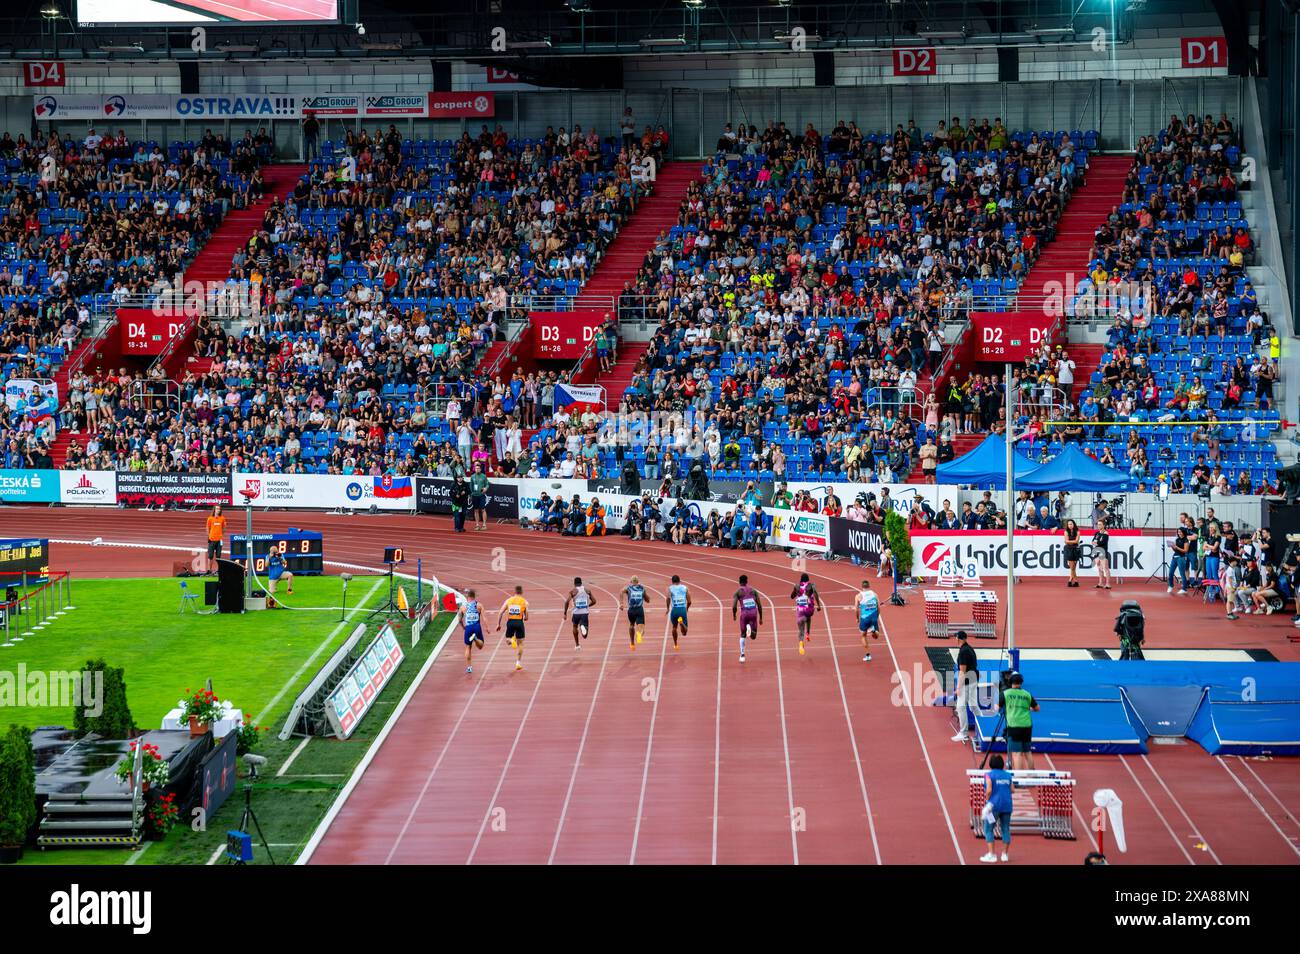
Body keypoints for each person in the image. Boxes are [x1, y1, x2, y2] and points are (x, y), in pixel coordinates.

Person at [994, 672, 1039, 770]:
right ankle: (1032, 776)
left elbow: (996, 708)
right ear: (1021, 682)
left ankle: (1019, 778)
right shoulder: (1027, 694)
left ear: (1010, 682)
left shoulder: (1005, 693)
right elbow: (1037, 708)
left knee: (1017, 753)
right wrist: (1027, 708)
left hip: (1014, 726)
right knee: (1027, 752)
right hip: (1027, 725)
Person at [980, 754, 1015, 863]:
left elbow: (989, 789)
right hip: (1007, 806)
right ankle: (1004, 854)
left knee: (988, 829)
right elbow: (1013, 790)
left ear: (990, 764)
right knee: (1005, 829)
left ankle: (991, 855)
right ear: (1002, 764)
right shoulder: (1008, 775)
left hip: (993, 807)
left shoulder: (988, 775)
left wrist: (987, 800)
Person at [952, 630, 978, 742]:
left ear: (959, 639)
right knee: (973, 705)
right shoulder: (970, 648)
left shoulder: (963, 652)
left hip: (967, 682)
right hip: (973, 680)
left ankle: (963, 732)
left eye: (956, 637)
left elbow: (962, 671)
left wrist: (958, 688)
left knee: (960, 707)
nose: (955, 639)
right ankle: (982, 725)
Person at [495, 584, 529, 671]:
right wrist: (525, 616)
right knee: (521, 644)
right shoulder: (524, 601)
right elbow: (527, 617)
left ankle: (511, 640)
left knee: (507, 640)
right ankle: (518, 663)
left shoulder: (508, 601)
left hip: (510, 622)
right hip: (519, 623)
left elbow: (500, 612)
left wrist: (498, 624)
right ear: (521, 592)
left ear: (514, 592)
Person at [732, 574, 763, 664]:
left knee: (742, 634)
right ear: (747, 581)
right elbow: (760, 605)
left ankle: (742, 655)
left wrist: (734, 614)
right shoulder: (754, 591)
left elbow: (734, 606)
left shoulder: (738, 592)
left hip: (744, 614)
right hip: (754, 613)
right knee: (753, 637)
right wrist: (761, 618)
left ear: (739, 582)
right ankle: (749, 627)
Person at [790, 572, 821, 656]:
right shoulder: (811, 585)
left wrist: (795, 592)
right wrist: (819, 605)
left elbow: (792, 596)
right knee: (808, 616)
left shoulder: (797, 586)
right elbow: (815, 594)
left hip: (800, 610)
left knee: (800, 630)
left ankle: (801, 643)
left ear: (801, 579)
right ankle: (808, 633)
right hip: (809, 609)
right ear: (808, 579)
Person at [563, 576, 596, 650]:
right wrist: (587, 605)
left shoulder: (573, 591)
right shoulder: (587, 590)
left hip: (576, 613)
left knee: (574, 626)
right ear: (581, 583)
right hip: (584, 613)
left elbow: (567, 602)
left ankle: (577, 645)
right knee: (585, 636)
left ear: (574, 584)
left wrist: (565, 613)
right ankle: (582, 627)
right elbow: (594, 601)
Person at [460, 588, 485, 674]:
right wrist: (487, 627)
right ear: (474, 596)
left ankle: (469, 667)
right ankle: (476, 639)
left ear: (467, 597)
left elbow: (459, 619)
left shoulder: (463, 607)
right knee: (480, 645)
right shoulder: (479, 605)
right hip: (477, 626)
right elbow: (484, 618)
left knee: (468, 647)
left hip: (468, 628)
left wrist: (463, 626)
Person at [854, 579, 880, 663]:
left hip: (864, 618)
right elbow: (879, 607)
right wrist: (877, 616)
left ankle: (868, 655)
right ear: (869, 586)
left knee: (863, 636)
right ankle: (873, 631)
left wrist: (857, 618)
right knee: (876, 636)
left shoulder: (858, 596)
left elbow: (856, 609)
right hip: (874, 617)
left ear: (862, 587)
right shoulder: (874, 594)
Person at [620, 575, 647, 649]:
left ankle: (632, 643)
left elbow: (621, 591)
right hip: (639, 610)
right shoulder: (642, 588)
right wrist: (647, 599)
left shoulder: (628, 588)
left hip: (631, 610)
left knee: (631, 624)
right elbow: (647, 599)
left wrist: (621, 603)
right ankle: (639, 634)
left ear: (631, 581)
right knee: (641, 628)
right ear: (638, 581)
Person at [666, 574, 690, 650]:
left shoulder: (670, 588)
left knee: (674, 627)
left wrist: (667, 608)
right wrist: (686, 609)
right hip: (682, 609)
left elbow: (668, 598)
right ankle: (681, 623)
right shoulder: (685, 588)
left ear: (672, 582)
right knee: (684, 632)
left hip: (674, 610)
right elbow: (689, 601)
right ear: (680, 581)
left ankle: (676, 644)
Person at [205, 504, 227, 572]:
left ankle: (218, 570)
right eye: (217, 509)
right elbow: (207, 528)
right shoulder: (210, 518)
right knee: (210, 556)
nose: (218, 510)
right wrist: (209, 536)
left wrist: (220, 535)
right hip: (212, 540)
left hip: (219, 540)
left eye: (219, 509)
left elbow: (224, 528)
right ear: (214, 510)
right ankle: (209, 570)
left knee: (218, 556)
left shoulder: (222, 518)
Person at [469, 463, 490, 532]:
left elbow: (487, 484)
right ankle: (477, 525)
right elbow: (471, 486)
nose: (477, 469)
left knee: (483, 509)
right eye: (476, 468)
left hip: (481, 495)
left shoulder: (484, 476)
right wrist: (470, 494)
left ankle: (484, 524)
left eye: (478, 468)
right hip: (474, 495)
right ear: (474, 469)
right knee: (476, 510)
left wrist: (485, 488)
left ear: (480, 469)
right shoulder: (472, 476)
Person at [1092, 518, 1112, 589]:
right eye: (1098, 524)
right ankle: (1100, 583)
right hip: (1097, 552)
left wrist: (1096, 543)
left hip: (1103, 552)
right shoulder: (1097, 533)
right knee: (1099, 568)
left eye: (1100, 524)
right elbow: (1093, 541)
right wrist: (1096, 543)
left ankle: (1108, 584)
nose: (1098, 526)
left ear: (1104, 525)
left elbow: (1102, 542)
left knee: (1105, 568)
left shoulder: (1106, 533)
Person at [1063, 519, 1082, 587]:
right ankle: (1075, 581)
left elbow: (1076, 541)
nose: (1070, 525)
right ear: (1067, 525)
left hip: (1076, 550)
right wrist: (1073, 541)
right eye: (1069, 524)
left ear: (1074, 524)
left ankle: (1070, 580)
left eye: (1071, 524)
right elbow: (1066, 541)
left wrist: (1070, 541)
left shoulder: (1077, 532)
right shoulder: (1066, 532)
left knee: (1073, 567)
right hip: (1069, 549)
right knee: (1072, 567)